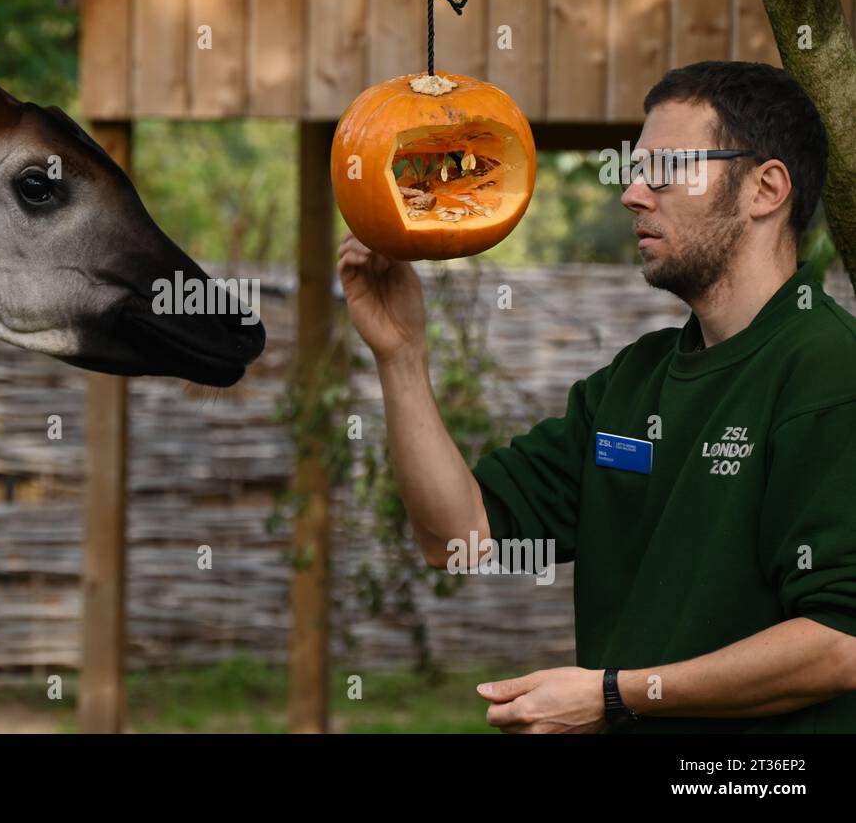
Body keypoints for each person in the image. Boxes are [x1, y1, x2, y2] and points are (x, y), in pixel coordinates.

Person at [338, 60, 856, 733]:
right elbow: (457, 537)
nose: (633, 194)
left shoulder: (828, 369)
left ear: (765, 189)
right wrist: (401, 356)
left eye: (665, 168)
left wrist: (617, 693)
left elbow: (841, 643)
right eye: (634, 170)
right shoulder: (632, 383)